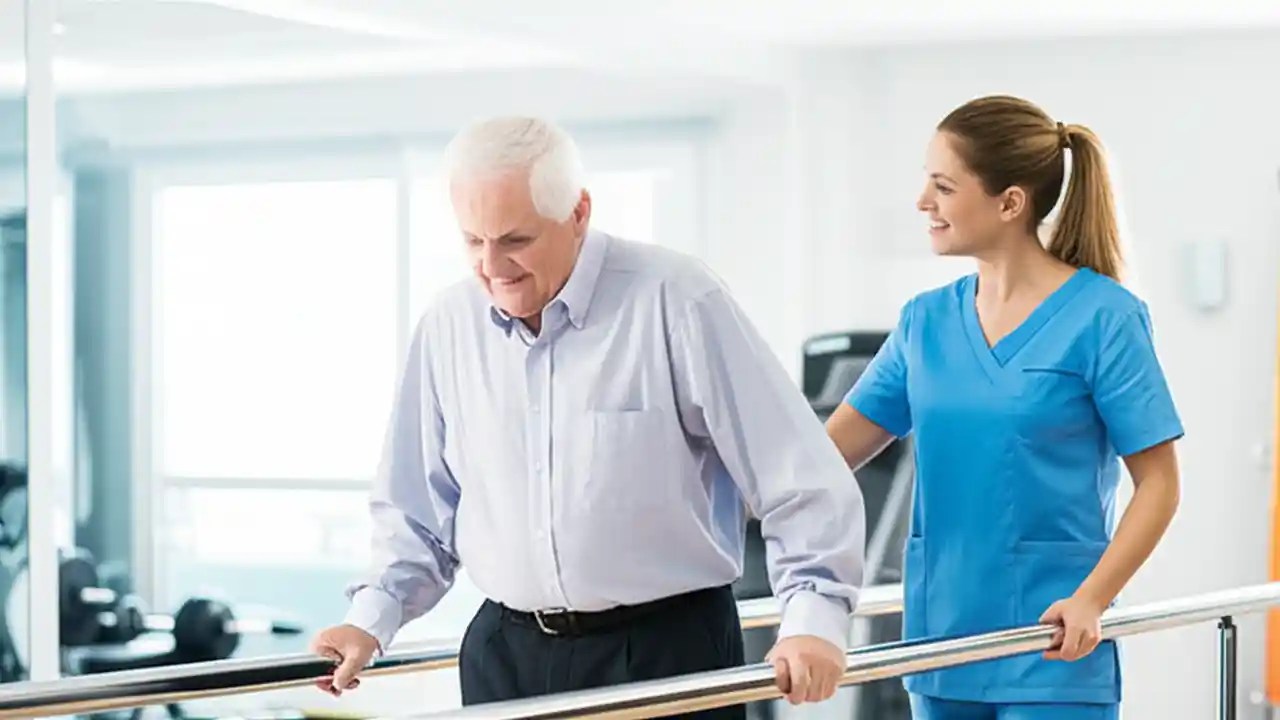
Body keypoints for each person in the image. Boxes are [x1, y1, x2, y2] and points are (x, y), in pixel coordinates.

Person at [308, 116, 867, 716]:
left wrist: (812, 617)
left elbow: (798, 475)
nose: (492, 266)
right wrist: (369, 620)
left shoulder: (676, 299)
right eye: (473, 241)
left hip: (664, 650)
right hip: (505, 655)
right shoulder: (449, 324)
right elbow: (417, 505)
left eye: (515, 240)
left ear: (578, 213)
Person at [826, 95, 1183, 720]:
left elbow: (1159, 484)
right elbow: (828, 455)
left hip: (1053, 643)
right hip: (941, 644)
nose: (922, 203)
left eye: (943, 185)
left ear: (1010, 202)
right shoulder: (924, 322)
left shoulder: (1104, 317)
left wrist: (1093, 600)